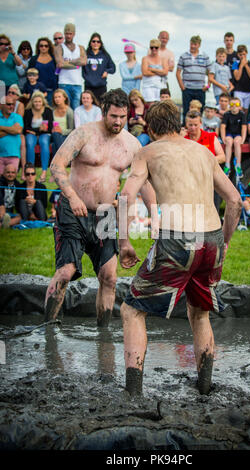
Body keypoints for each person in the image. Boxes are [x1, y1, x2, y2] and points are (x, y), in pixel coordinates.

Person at [118, 99, 242, 396]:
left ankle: (133, 393)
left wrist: (124, 242)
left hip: (177, 239)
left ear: (149, 126)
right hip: (211, 237)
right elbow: (235, 200)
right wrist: (224, 241)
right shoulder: (203, 151)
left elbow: (125, 197)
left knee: (132, 310)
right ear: (180, 123)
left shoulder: (146, 152)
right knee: (199, 313)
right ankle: (205, 386)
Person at [45, 88, 156, 326]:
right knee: (65, 273)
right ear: (104, 111)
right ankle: (48, 329)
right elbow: (56, 165)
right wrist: (72, 197)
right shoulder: (84, 133)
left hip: (105, 216)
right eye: (113, 116)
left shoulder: (132, 144)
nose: (117, 122)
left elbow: (143, 183)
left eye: (122, 117)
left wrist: (155, 215)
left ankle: (102, 335)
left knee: (109, 278)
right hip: (73, 210)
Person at [176, 35, 212, 123]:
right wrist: (182, 87)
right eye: (191, 44)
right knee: (186, 112)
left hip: (201, 89)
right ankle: (185, 131)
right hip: (187, 89)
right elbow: (178, 73)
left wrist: (207, 86)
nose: (192, 46)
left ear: (199, 45)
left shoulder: (205, 56)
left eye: (195, 44)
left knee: (200, 111)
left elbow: (211, 72)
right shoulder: (183, 56)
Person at [54, 23, 87, 110]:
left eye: (70, 33)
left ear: (74, 34)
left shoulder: (80, 48)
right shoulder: (59, 48)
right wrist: (76, 63)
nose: (68, 36)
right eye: (66, 33)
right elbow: (60, 64)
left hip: (77, 83)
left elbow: (84, 62)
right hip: (64, 83)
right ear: (64, 34)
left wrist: (68, 62)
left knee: (76, 109)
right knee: (64, 109)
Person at [23, 91, 53, 183]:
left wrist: (36, 130)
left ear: (43, 102)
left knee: (44, 142)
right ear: (32, 102)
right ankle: (30, 169)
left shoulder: (48, 111)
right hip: (31, 134)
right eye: (35, 101)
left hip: (44, 134)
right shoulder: (28, 111)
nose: (37, 103)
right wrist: (38, 130)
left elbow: (50, 128)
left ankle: (44, 171)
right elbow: (26, 128)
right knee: (29, 142)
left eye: (39, 101)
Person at [82, 32, 116, 103]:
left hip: (101, 87)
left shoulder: (105, 55)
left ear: (100, 44)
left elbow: (113, 68)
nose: (96, 43)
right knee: (88, 108)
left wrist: (107, 71)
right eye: (93, 41)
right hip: (89, 87)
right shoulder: (85, 54)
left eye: (98, 41)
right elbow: (80, 67)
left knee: (102, 108)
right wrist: (86, 77)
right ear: (90, 43)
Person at [220, 97, 247, 177]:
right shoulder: (227, 114)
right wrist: (223, 138)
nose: (234, 106)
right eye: (232, 104)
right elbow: (223, 127)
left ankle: (238, 165)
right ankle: (227, 165)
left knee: (237, 142)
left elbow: (244, 127)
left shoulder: (242, 114)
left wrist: (243, 138)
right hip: (229, 133)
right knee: (229, 142)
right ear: (229, 105)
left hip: (237, 134)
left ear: (240, 106)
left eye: (237, 104)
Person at [28, 37, 57, 105]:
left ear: (49, 47)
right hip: (37, 91)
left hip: (51, 90)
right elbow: (29, 74)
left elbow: (58, 72)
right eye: (41, 46)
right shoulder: (33, 59)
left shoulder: (54, 58)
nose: (43, 47)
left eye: (46, 46)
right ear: (38, 47)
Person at [0, 95, 23, 176]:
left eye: (13, 104)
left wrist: (1, 128)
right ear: (1, 105)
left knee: (11, 181)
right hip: (0, 155)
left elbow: (18, 130)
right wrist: (11, 129)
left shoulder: (17, 117)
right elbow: (14, 130)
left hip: (13, 154)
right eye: (8, 104)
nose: (11, 106)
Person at [141, 39, 168, 106]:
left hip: (160, 85)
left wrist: (151, 69)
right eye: (151, 47)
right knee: (150, 106)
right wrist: (160, 72)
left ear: (159, 48)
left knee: (161, 105)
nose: (154, 49)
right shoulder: (145, 58)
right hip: (148, 86)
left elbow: (165, 72)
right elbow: (145, 73)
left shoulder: (163, 59)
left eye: (156, 47)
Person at [7, 84, 25, 179]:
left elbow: (19, 124)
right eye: (9, 92)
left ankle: (23, 170)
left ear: (18, 96)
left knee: (22, 140)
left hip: (17, 132)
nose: (10, 94)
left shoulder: (19, 105)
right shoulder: (3, 104)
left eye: (13, 93)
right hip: (8, 132)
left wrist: (6, 128)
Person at [51, 88, 74, 155]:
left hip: (65, 135)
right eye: (55, 97)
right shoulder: (52, 111)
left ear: (64, 98)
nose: (57, 99)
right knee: (55, 135)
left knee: (54, 145)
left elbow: (72, 129)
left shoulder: (69, 111)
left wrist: (62, 131)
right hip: (54, 135)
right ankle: (63, 157)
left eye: (59, 97)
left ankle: (58, 160)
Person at [232, 45, 250, 113]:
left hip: (248, 90)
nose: (242, 56)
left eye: (244, 54)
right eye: (240, 55)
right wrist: (241, 65)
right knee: (239, 108)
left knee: (247, 109)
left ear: (246, 53)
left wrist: (246, 65)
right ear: (238, 54)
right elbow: (237, 77)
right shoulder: (235, 64)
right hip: (238, 90)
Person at [0, 164, 21, 228]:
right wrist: (1, 206)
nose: (10, 174)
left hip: (9, 212)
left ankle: (4, 224)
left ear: (16, 174)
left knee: (20, 217)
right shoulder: (0, 183)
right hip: (1, 209)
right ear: (3, 173)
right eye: (8, 172)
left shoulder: (18, 185)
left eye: (13, 172)